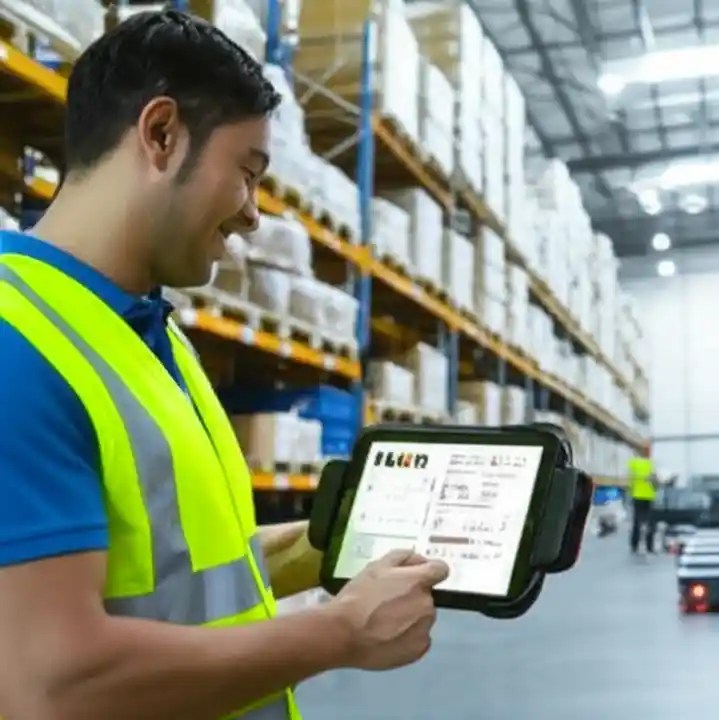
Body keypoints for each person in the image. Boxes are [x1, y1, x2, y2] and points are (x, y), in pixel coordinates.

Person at [0, 12, 449, 719]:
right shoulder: (14, 345)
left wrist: (318, 544)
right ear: (161, 134)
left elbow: (181, 576)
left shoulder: (150, 333)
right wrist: (338, 632)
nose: (252, 216)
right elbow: (52, 683)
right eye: (247, 173)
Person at [628, 442, 659, 554]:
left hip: (636, 496)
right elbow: (655, 482)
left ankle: (634, 545)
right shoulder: (651, 464)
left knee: (636, 522)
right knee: (650, 523)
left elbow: (629, 480)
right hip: (648, 497)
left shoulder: (633, 463)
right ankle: (649, 546)